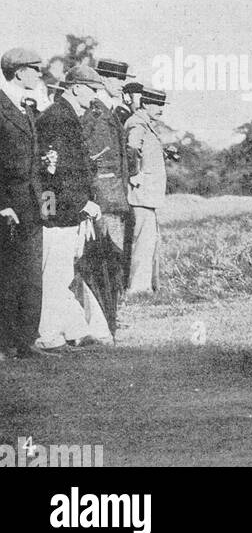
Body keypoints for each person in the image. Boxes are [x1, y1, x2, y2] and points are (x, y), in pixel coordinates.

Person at [35, 66, 109, 351]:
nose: (94, 97)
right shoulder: (59, 118)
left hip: (60, 207)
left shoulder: (64, 116)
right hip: (58, 209)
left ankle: (75, 329)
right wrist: (81, 203)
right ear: (76, 87)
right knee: (55, 273)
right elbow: (57, 171)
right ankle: (49, 336)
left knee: (61, 271)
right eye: (92, 90)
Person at [1, 48, 58, 360]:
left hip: (31, 204)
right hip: (9, 205)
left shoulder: (26, 107)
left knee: (30, 275)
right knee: (7, 274)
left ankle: (26, 341)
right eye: (35, 70)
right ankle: (4, 343)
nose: (39, 75)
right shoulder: (2, 104)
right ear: (19, 71)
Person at [80, 58, 135, 338]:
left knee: (112, 264)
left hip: (114, 199)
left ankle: (108, 322)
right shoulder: (95, 114)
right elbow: (91, 160)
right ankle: (105, 325)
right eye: (118, 80)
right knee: (104, 262)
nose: (122, 85)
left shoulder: (108, 111)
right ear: (103, 80)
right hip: (105, 201)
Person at [125, 87, 177, 293]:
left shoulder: (145, 124)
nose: (161, 109)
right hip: (141, 194)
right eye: (157, 105)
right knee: (143, 242)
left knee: (147, 241)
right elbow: (131, 148)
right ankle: (138, 288)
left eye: (162, 105)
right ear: (145, 104)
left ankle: (144, 286)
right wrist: (134, 172)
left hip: (147, 195)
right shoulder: (138, 123)